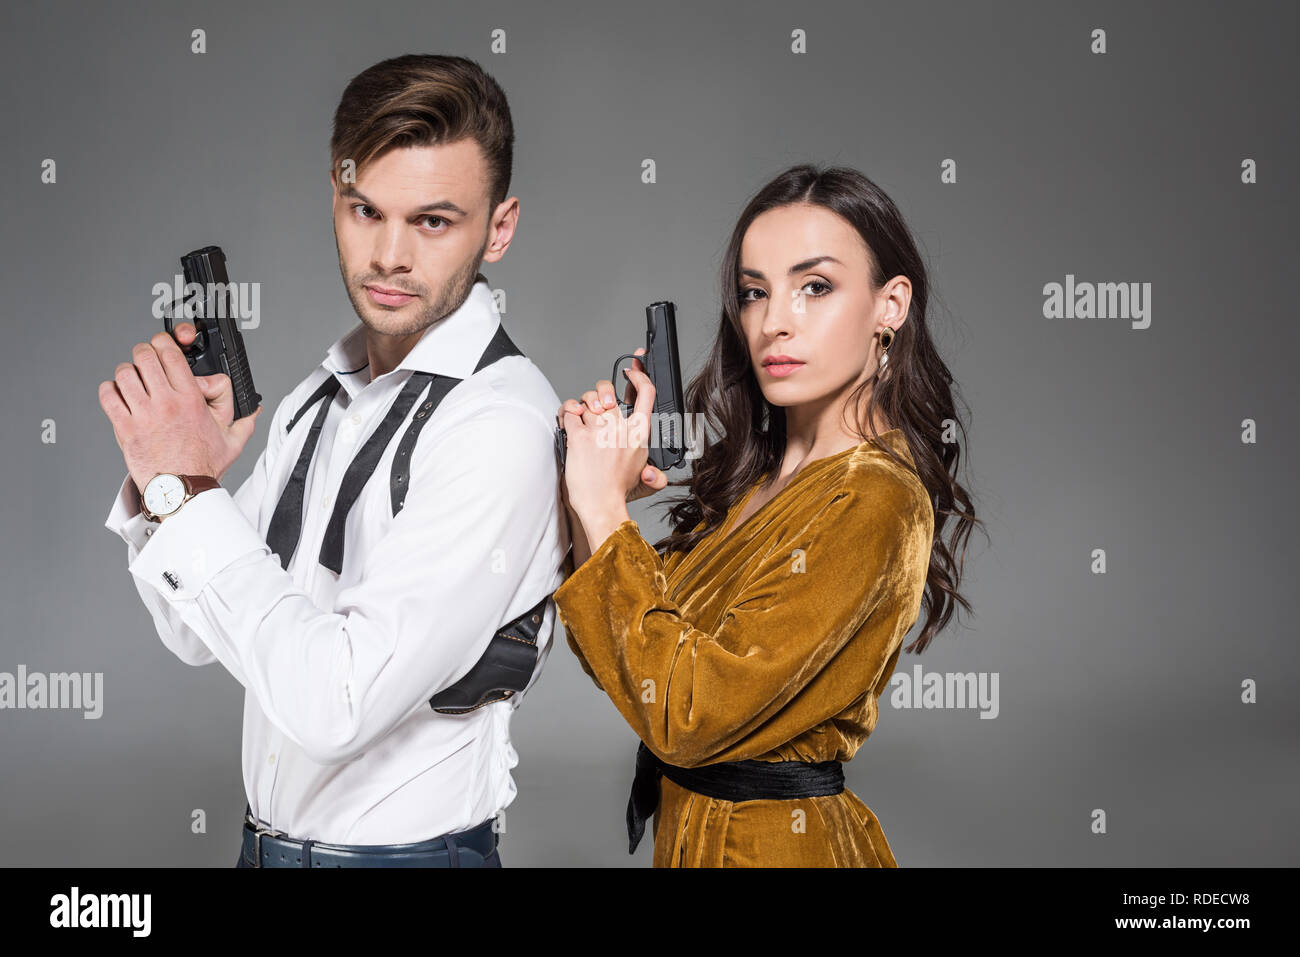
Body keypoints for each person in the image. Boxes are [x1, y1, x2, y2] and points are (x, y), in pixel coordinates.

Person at [99, 54, 568, 868]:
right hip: (263, 849)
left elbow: (335, 703)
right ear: (336, 198)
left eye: (433, 221)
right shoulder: (321, 396)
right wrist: (172, 480)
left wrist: (189, 494)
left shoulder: (500, 423)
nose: (389, 255)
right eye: (365, 210)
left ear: (500, 226)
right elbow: (191, 632)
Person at [553, 164, 981, 867]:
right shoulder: (755, 476)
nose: (775, 320)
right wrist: (589, 499)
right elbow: (629, 663)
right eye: (755, 292)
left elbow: (683, 715)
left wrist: (603, 510)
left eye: (816, 286)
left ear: (890, 306)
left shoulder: (877, 498)